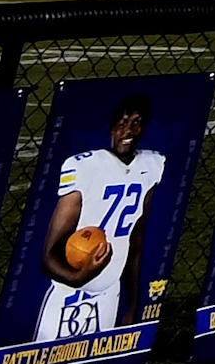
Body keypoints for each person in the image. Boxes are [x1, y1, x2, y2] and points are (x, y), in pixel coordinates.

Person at [30, 96, 169, 345]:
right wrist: (78, 277)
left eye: (136, 123)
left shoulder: (152, 165)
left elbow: (135, 242)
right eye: (123, 123)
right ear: (112, 127)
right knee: (46, 361)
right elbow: (49, 256)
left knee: (95, 362)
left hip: (109, 292)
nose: (129, 130)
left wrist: (132, 303)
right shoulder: (84, 167)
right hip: (68, 292)